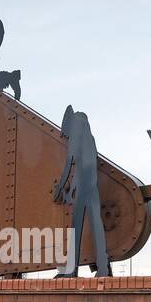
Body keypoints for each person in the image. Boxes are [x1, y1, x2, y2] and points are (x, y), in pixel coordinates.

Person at [53, 105, 110, 277]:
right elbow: (87, 162)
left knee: (76, 227)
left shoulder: (76, 125)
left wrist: (60, 187)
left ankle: (71, 271)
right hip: (90, 183)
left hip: (85, 185)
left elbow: (70, 159)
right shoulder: (88, 134)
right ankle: (103, 269)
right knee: (96, 224)